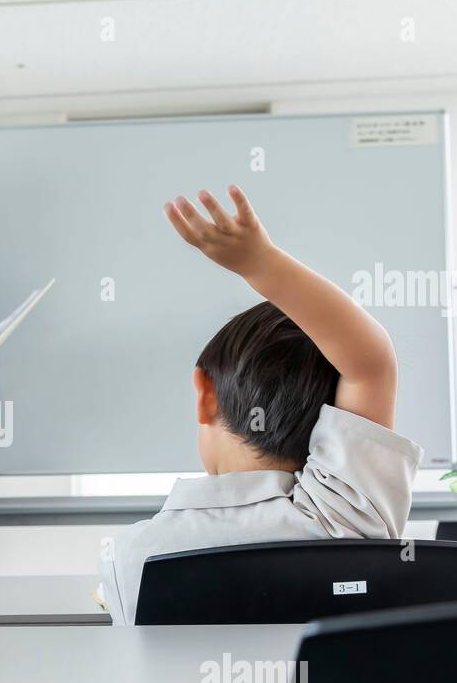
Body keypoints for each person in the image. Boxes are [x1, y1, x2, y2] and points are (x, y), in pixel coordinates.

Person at [99, 185, 424, 625]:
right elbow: (371, 363)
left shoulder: (133, 557)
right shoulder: (343, 520)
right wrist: (260, 263)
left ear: (205, 395)